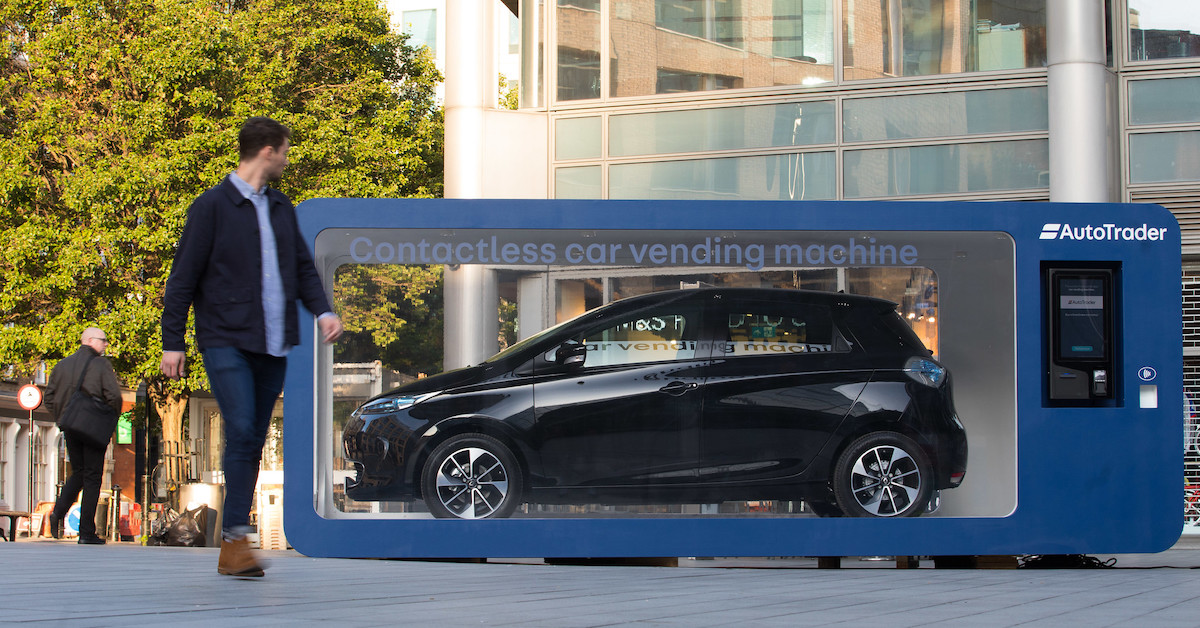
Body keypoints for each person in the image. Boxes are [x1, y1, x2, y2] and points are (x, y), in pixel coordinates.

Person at [161, 117, 343, 577]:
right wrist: (173, 342)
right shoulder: (212, 207)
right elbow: (182, 279)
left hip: (273, 341)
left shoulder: (281, 207)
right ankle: (237, 536)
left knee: (253, 437)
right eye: (284, 150)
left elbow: (302, 268)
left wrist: (323, 310)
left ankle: (234, 543)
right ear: (267, 150)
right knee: (241, 427)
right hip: (224, 338)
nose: (286, 158)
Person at [44, 327, 123, 545]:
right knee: (91, 476)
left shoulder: (61, 365)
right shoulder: (101, 364)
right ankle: (86, 532)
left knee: (78, 472)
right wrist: (109, 418)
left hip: (70, 427)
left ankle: (57, 513)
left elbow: (48, 398)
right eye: (103, 340)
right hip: (92, 427)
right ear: (89, 340)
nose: (106, 344)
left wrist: (63, 418)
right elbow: (114, 396)